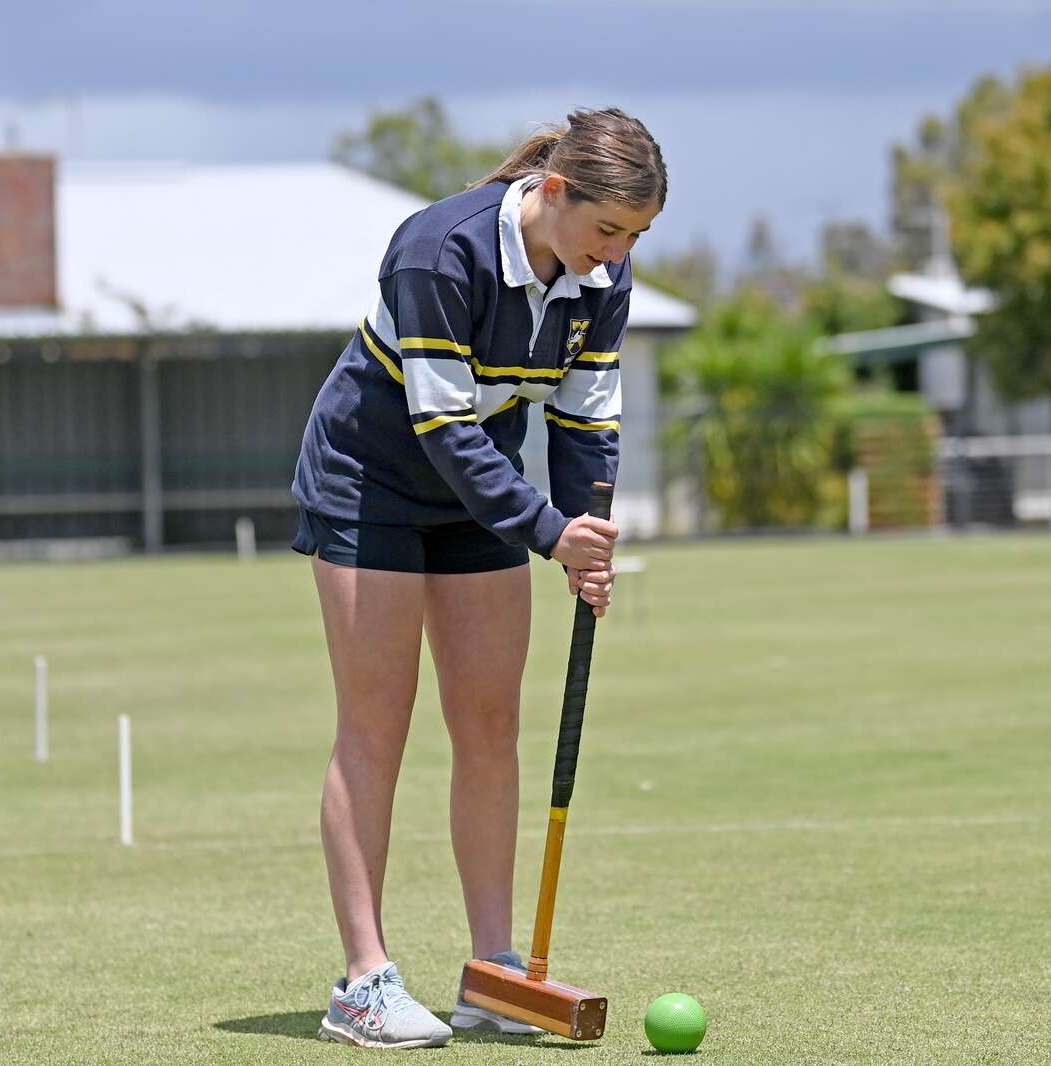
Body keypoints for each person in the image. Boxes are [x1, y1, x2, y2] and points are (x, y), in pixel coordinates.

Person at [290, 107, 666, 1049]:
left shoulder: (599, 282)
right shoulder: (436, 251)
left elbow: (585, 426)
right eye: (607, 228)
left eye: (635, 237)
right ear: (551, 193)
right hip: (370, 481)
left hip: (478, 497)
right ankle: (364, 982)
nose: (616, 254)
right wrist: (547, 533)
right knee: (378, 722)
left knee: (491, 717)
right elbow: (443, 425)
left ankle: (493, 971)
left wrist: (587, 532)